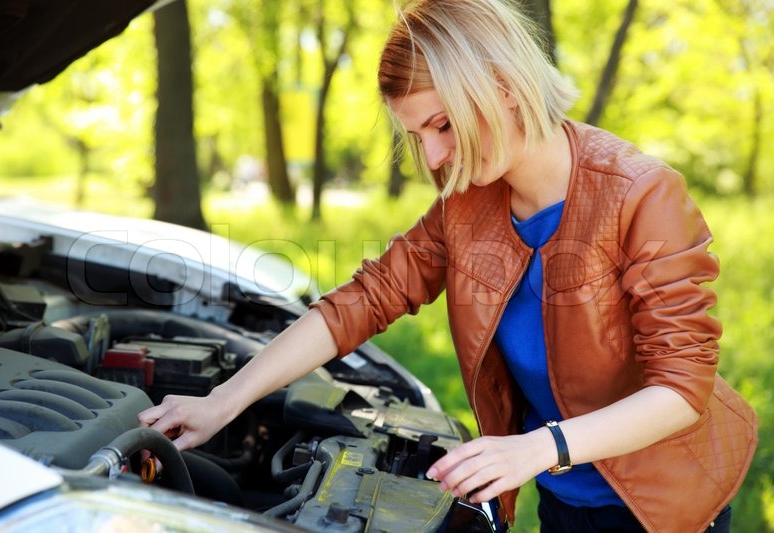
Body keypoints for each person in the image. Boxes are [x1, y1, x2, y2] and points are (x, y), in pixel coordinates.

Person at [138, 0, 758, 531]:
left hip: (664, 500)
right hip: (559, 489)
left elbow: (681, 389)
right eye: (418, 135)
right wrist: (223, 401)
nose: (433, 157)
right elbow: (365, 300)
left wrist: (538, 449)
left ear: (503, 87)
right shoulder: (468, 204)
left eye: (442, 125)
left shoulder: (643, 195)